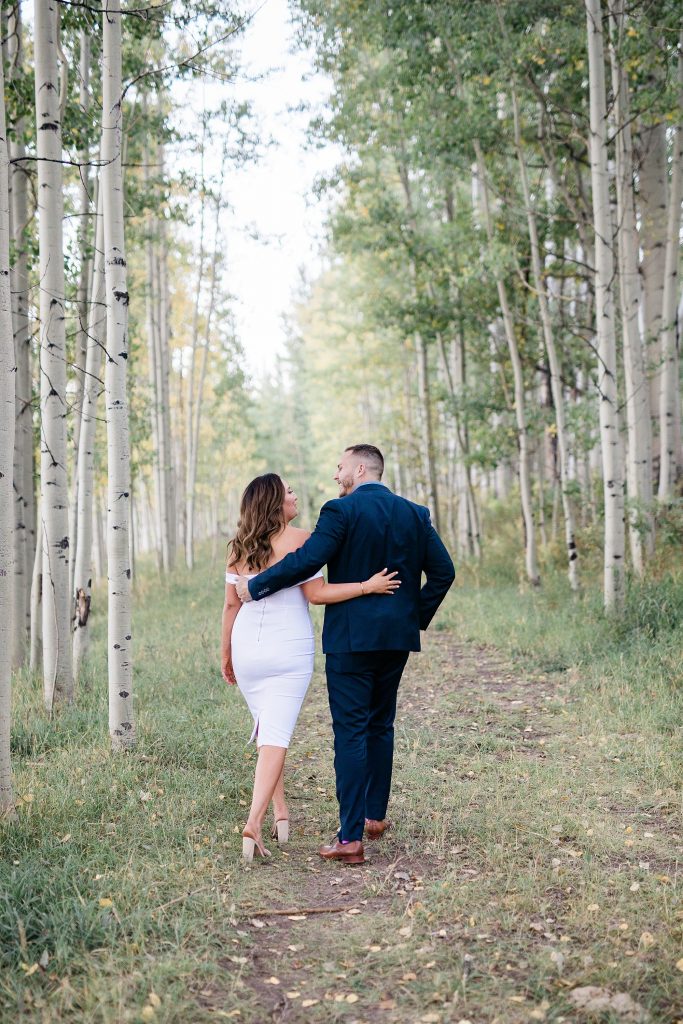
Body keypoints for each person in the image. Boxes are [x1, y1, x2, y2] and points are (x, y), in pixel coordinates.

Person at [235, 444, 455, 865]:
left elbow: (307, 560)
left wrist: (256, 586)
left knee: (351, 731)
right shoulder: (415, 513)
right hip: (395, 639)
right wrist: (411, 616)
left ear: (359, 468)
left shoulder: (341, 512)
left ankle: (350, 837)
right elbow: (444, 572)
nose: (336, 476)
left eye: (340, 468)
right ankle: (375, 816)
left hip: (351, 641)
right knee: (381, 723)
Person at [221, 472, 401, 861]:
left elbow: (231, 605)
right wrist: (367, 586)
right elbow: (316, 594)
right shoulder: (301, 539)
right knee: (276, 737)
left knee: (269, 733)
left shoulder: (238, 546)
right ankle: (253, 823)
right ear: (274, 502)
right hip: (288, 649)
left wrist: (226, 655)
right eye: (288, 491)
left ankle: (281, 813)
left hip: (246, 647)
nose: (295, 493)